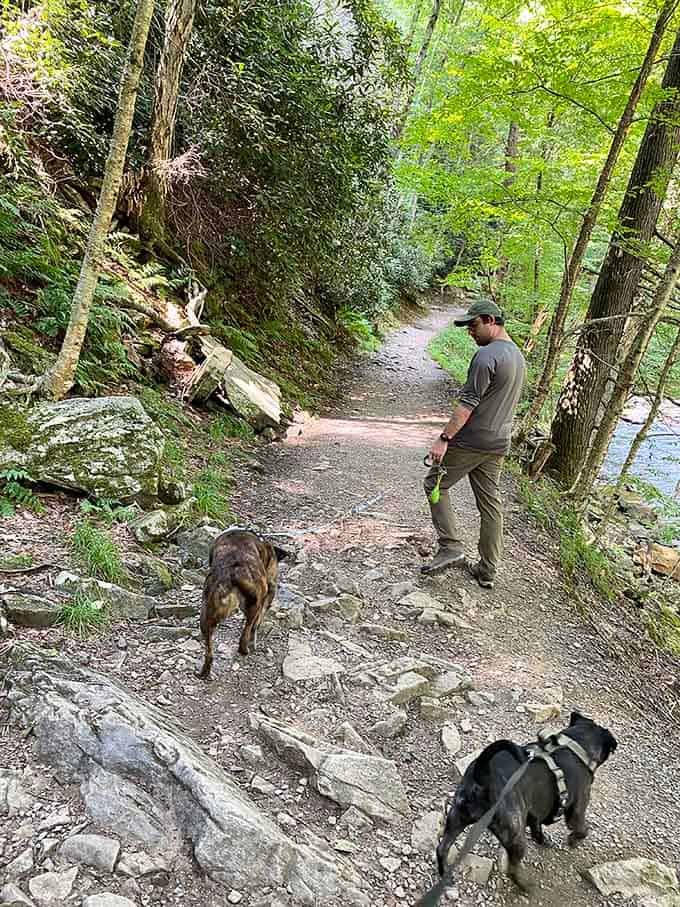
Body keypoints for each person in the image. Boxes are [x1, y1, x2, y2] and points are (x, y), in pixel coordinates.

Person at [422, 299, 526, 589]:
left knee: (434, 485)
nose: (470, 331)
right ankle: (487, 569)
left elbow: (467, 404)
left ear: (491, 320)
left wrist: (444, 438)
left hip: (471, 441)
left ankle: (450, 547)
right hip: (498, 444)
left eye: (474, 324)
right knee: (490, 504)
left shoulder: (486, 357)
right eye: (468, 326)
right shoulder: (517, 356)